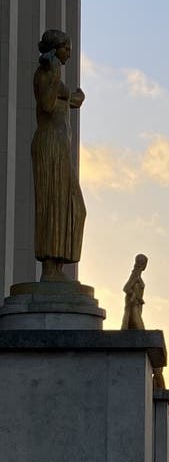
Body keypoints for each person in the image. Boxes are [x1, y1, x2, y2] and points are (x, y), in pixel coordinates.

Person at [32, 29, 86, 281]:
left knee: (73, 207)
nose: (70, 53)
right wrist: (54, 73)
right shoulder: (47, 71)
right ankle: (50, 268)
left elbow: (71, 98)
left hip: (59, 148)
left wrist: (75, 97)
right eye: (67, 48)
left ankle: (58, 264)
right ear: (57, 48)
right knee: (53, 204)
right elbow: (46, 104)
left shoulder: (54, 72)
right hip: (50, 146)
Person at [121, 254, 148, 330]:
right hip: (133, 306)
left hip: (137, 305)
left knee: (134, 329)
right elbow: (126, 288)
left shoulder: (138, 275)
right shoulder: (135, 274)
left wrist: (139, 300)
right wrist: (134, 296)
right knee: (140, 329)